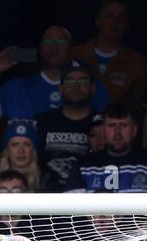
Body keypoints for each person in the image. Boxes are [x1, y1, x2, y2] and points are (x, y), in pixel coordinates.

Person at [0, 27, 106, 125]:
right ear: (39, 50)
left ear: (71, 51)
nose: (54, 48)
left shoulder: (88, 86)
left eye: (61, 43)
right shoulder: (17, 87)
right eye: (48, 42)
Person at [66, 102, 147, 193]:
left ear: (134, 130)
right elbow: (71, 210)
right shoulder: (83, 166)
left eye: (124, 126)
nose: (117, 134)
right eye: (112, 126)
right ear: (103, 130)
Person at [31, 60, 102, 192]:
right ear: (60, 88)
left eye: (83, 81)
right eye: (70, 81)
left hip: (89, 199)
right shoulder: (42, 122)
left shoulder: (103, 124)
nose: (76, 86)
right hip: (47, 200)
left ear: (93, 88)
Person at [71, 1, 147, 107]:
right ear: (98, 21)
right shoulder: (75, 54)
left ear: (126, 26)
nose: (115, 21)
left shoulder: (137, 62)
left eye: (121, 17)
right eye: (109, 15)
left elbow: (139, 104)